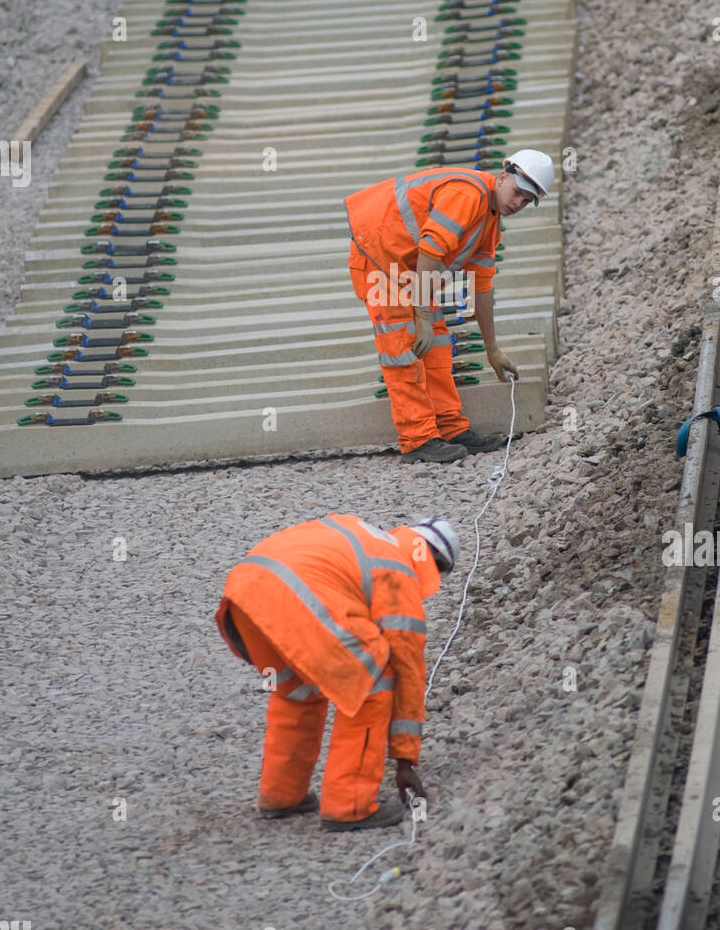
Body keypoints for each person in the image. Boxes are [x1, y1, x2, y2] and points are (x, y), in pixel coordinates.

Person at [214, 514, 460, 831]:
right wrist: (404, 759)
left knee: (297, 691)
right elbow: (408, 669)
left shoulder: (363, 537)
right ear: (433, 565)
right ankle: (350, 805)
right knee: (373, 679)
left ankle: (282, 795)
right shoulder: (397, 570)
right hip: (293, 599)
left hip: (243, 600)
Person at [344, 150, 555, 462]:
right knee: (403, 348)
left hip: (411, 272)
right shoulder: (467, 195)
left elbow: (480, 287)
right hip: (380, 257)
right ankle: (417, 440)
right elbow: (430, 250)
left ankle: (450, 427)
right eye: (517, 194)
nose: (518, 204)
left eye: (526, 201)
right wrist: (421, 314)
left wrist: (492, 347)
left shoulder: (490, 222)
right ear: (502, 177)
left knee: (438, 344)